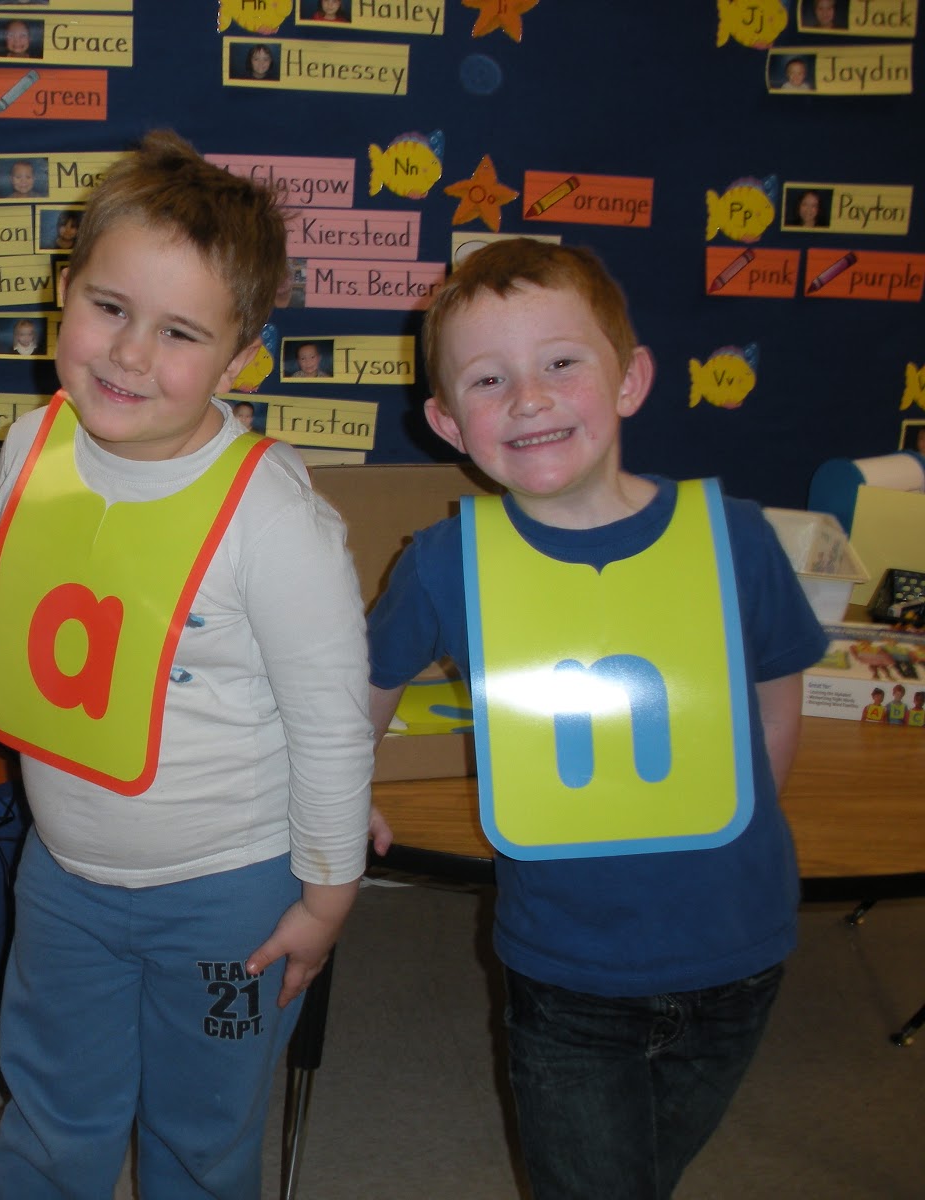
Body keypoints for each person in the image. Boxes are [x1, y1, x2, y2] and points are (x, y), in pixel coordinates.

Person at [366, 238, 826, 1200]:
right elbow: (364, 685)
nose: (528, 399)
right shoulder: (444, 562)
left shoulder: (735, 539)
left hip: (741, 945)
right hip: (566, 969)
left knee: (649, 1166)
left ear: (631, 379)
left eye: (561, 362)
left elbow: (775, 707)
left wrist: (730, 826)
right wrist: (344, 791)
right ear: (449, 422)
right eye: (489, 380)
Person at [0, 129, 372, 1198]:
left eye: (181, 331)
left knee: (203, 1130)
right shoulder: (30, 445)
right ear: (64, 293)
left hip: (228, 899)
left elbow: (331, 719)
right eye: (108, 307)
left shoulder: (274, 522)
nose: (129, 354)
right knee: (53, 1106)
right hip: (63, 874)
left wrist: (328, 893)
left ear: (242, 360)